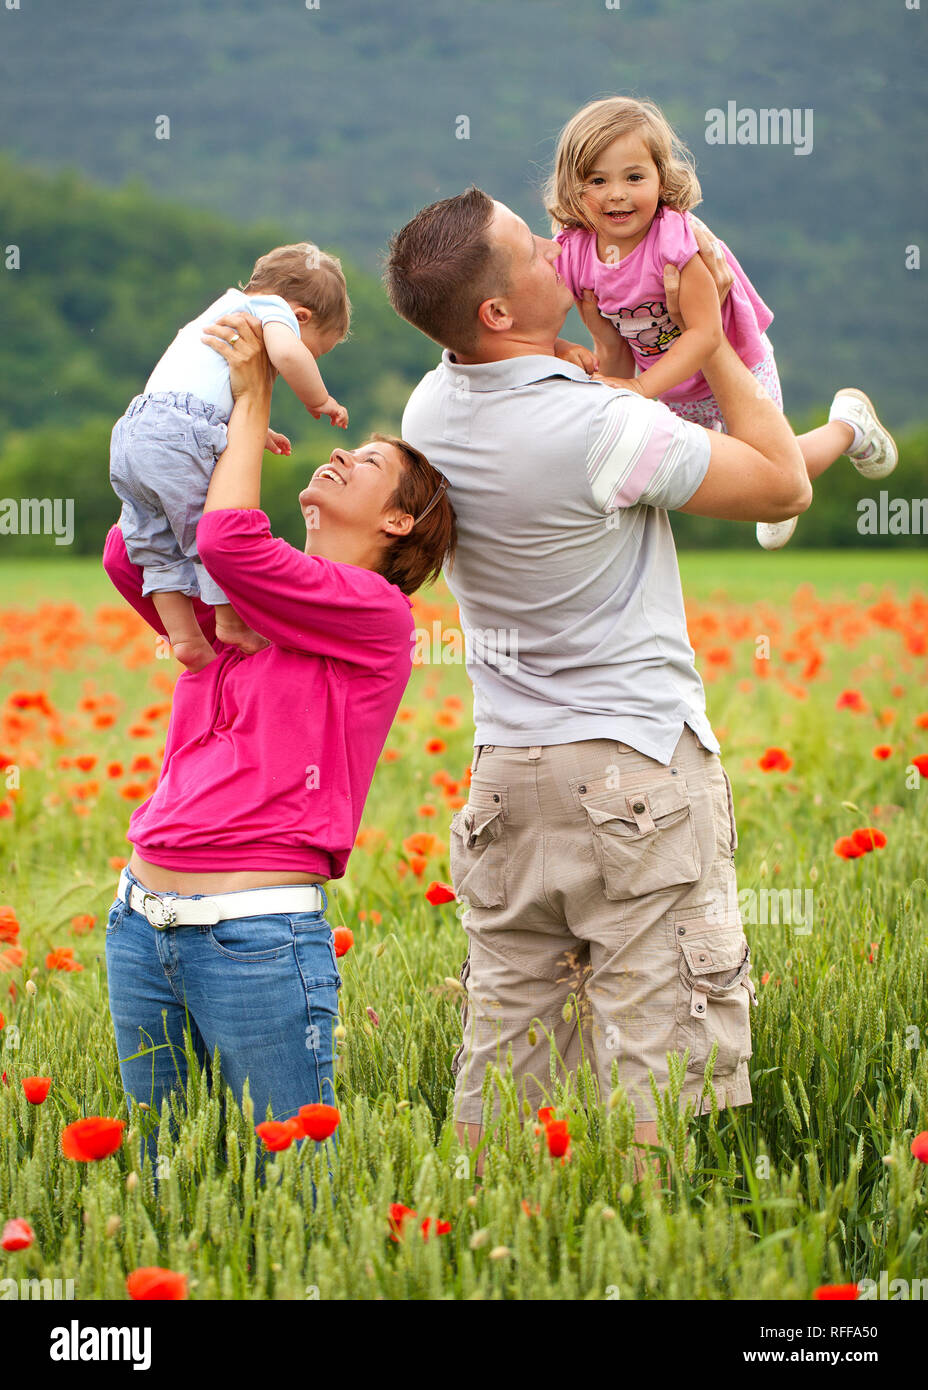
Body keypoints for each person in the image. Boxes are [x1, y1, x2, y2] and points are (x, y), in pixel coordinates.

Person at [385, 185, 813, 1171]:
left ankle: (489, 1233)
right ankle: (636, 1236)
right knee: (654, 1038)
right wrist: (717, 324)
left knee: (510, 1038)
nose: (558, 247)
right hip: (633, 770)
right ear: (495, 312)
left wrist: (596, 347)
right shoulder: (601, 430)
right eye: (533, 249)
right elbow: (783, 482)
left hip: (505, 780)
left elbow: (539, 376)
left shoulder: (430, 404)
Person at [102, 311, 455, 1167]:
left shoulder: (374, 613)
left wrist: (254, 396)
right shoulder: (234, 602)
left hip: (253, 937)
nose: (338, 454)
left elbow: (227, 538)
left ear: (400, 524)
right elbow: (126, 550)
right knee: (167, 1176)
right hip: (140, 922)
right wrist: (182, 437)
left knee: (291, 1183)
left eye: (367, 462)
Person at [546, 96, 897, 550]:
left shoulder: (674, 242)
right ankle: (775, 493)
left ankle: (847, 427)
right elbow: (536, 320)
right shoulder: (574, 251)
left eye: (634, 177)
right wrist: (561, 350)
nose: (617, 193)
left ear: (661, 178)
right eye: (598, 180)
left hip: (734, 369)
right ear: (574, 190)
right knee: (709, 475)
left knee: (769, 463)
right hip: (671, 385)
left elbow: (706, 334)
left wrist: (638, 390)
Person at [109, 243, 351, 673]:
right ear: (301, 318)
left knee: (153, 543)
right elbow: (288, 354)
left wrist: (258, 431)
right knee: (211, 531)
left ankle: (184, 638)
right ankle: (230, 623)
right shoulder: (270, 309)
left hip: (134, 432)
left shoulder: (219, 311)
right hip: (178, 436)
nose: (308, 359)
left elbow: (204, 400)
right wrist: (321, 399)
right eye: (319, 353)